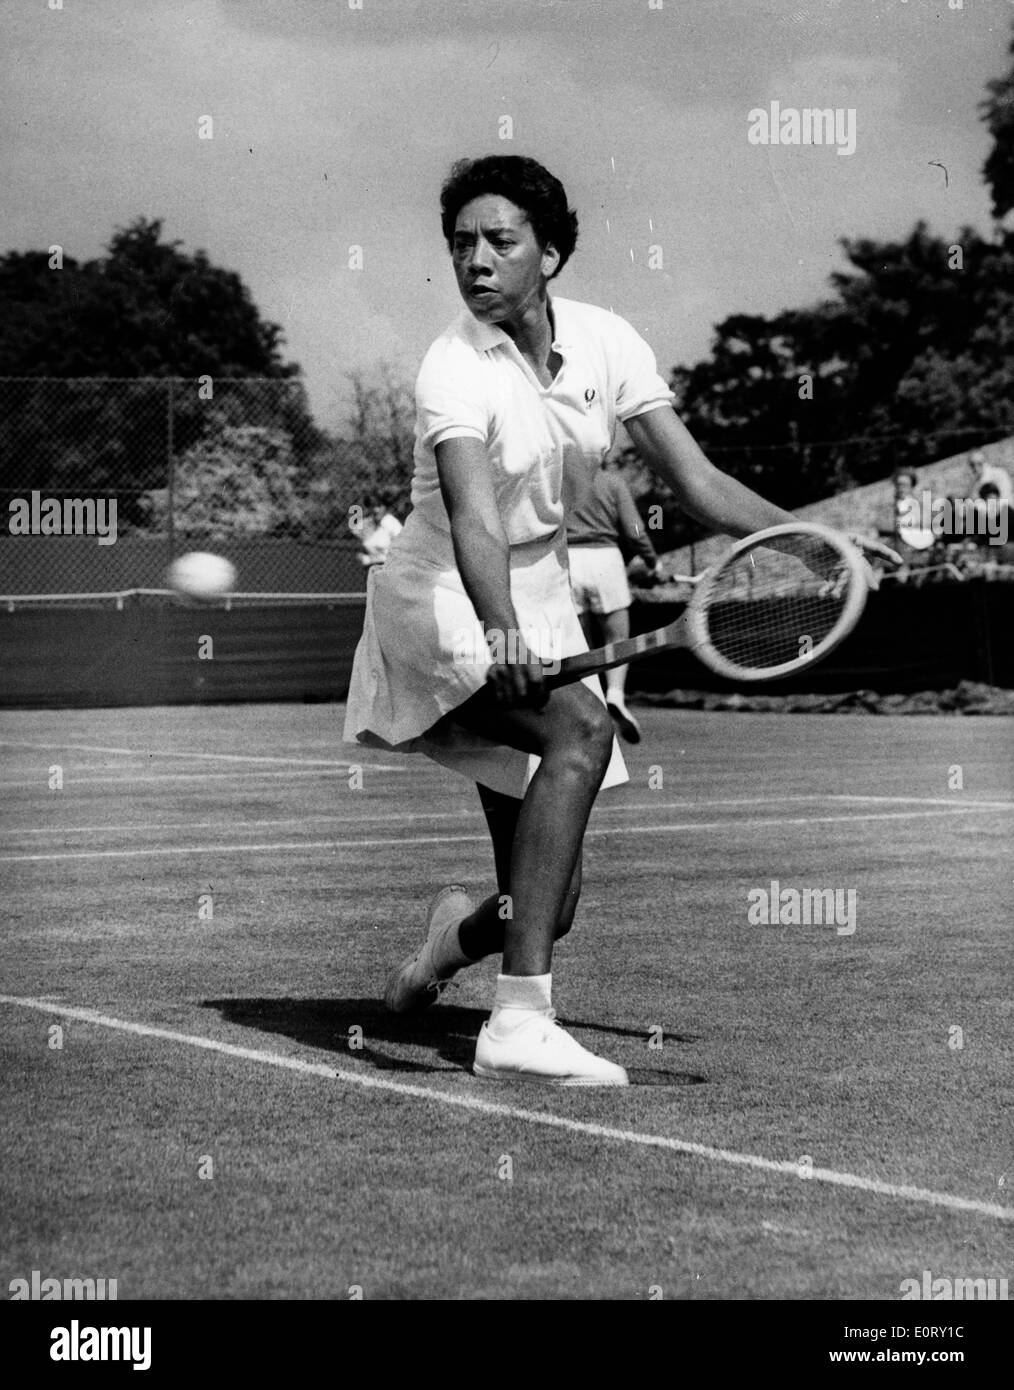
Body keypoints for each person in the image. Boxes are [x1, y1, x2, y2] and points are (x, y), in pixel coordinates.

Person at [343, 154, 855, 1085]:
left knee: (550, 896)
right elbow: (473, 520)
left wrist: (811, 538)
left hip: (536, 597)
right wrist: (501, 633)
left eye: (500, 241)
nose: (477, 262)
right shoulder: (451, 364)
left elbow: (695, 482)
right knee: (578, 728)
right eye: (462, 244)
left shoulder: (608, 343)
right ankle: (518, 1021)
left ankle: (445, 947)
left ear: (553, 253)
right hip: (438, 594)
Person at [566, 459, 663, 743]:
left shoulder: (554, 477)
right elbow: (635, 530)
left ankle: (589, 702)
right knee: (618, 640)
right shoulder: (612, 481)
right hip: (606, 559)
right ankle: (615, 695)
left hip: (567, 560)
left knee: (580, 646)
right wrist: (652, 563)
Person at [353, 492, 403, 567]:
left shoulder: (393, 524)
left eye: (379, 506)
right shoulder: (364, 524)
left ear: (385, 507)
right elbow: (358, 549)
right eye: (372, 506)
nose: (375, 510)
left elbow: (402, 553)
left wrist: (370, 560)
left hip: (391, 568)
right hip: (371, 570)